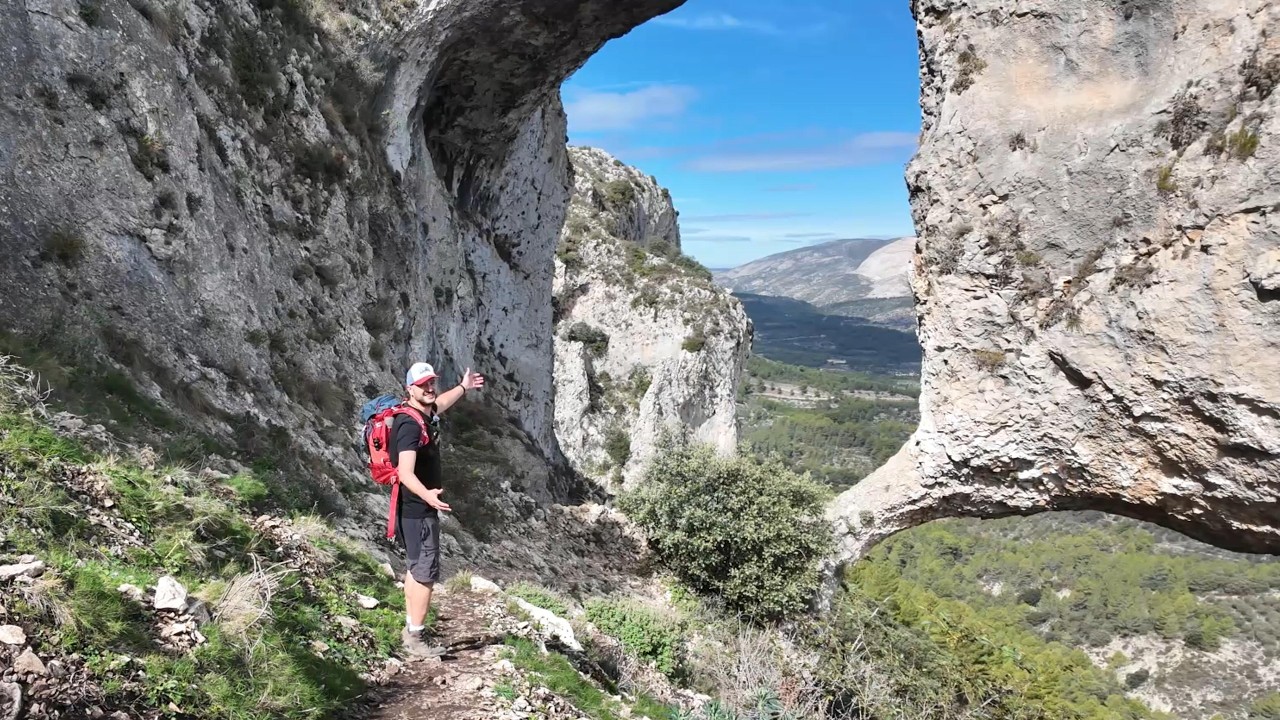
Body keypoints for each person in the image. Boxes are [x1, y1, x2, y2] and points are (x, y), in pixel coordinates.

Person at [392, 360, 484, 656]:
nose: (430, 388)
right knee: (425, 572)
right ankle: (416, 639)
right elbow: (404, 472)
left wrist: (463, 387)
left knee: (415, 567)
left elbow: (440, 403)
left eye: (431, 382)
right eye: (423, 385)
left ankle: (411, 628)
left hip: (418, 508)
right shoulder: (408, 424)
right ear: (410, 389)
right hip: (418, 509)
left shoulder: (424, 411)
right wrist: (429, 497)